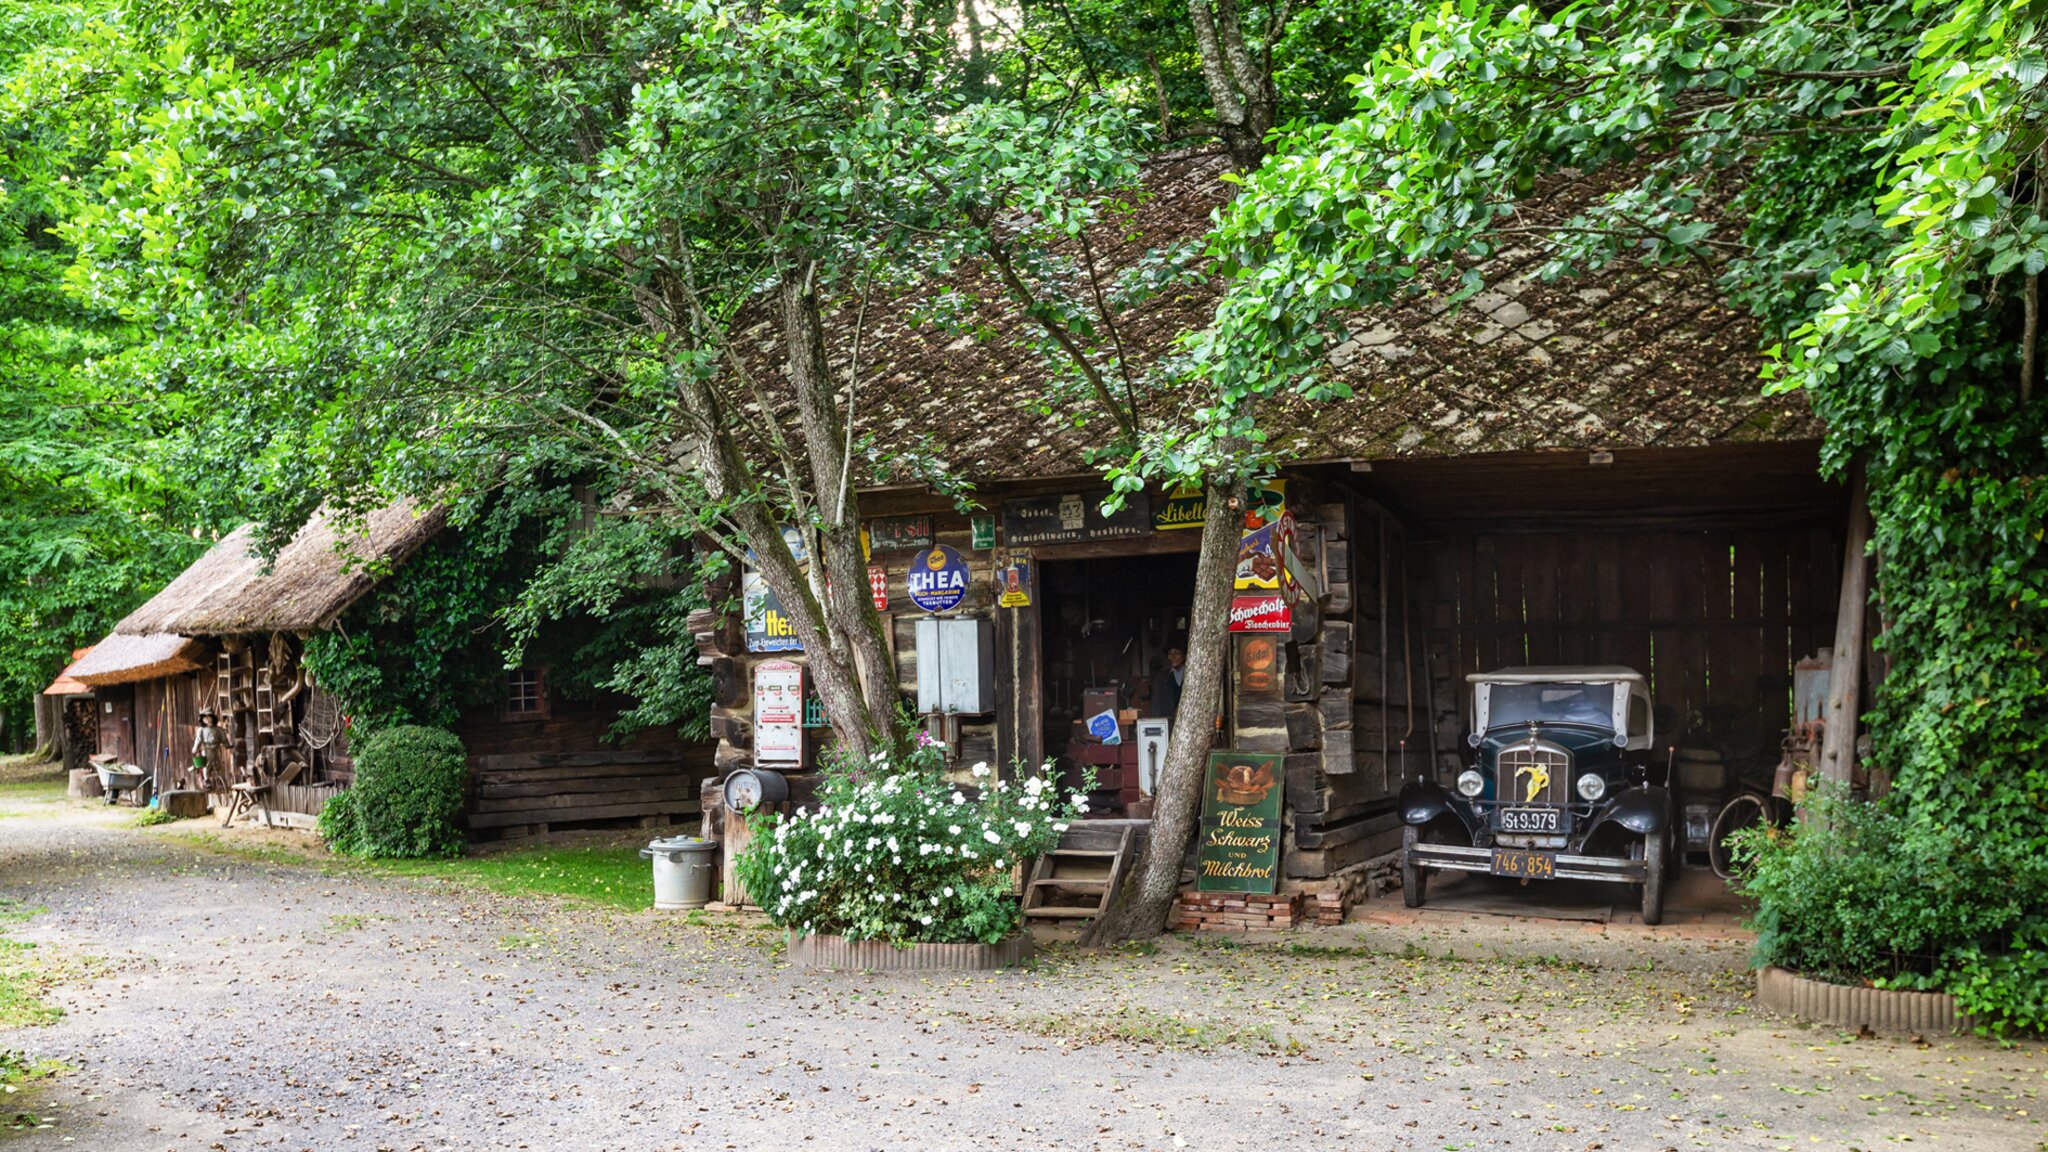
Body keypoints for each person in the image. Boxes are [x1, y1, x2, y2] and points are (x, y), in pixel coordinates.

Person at [1149, 642, 1186, 719]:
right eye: (1170, 654)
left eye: (1177, 653)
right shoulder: (1161, 677)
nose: (1173, 657)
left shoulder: (1192, 675)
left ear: (1184, 654)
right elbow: (1155, 707)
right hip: (1167, 724)